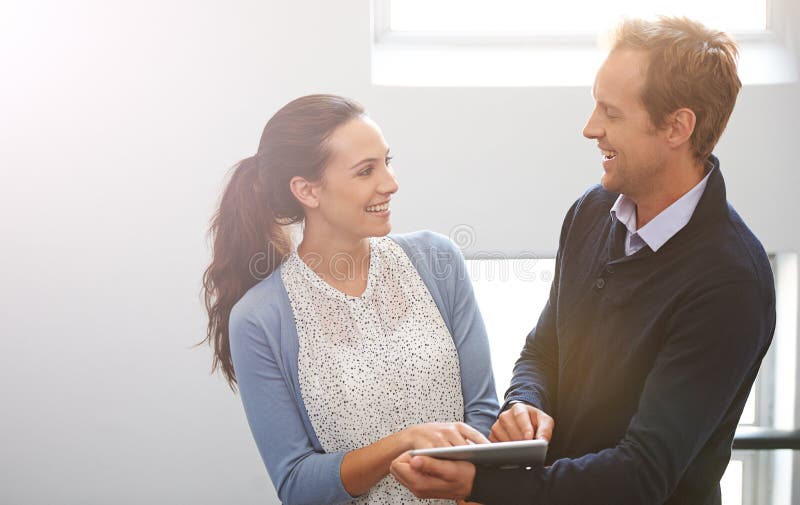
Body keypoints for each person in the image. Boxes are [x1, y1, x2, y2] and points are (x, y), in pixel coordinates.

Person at [391, 16, 776, 505]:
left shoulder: (732, 282)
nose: (590, 127)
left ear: (678, 126)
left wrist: (482, 484)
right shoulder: (591, 212)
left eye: (611, 113)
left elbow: (641, 476)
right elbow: (544, 348)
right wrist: (525, 402)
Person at [201, 94, 499, 505]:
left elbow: (482, 410)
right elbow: (296, 484)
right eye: (365, 171)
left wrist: (472, 478)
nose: (390, 183)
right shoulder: (260, 318)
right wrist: (402, 444)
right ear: (307, 190)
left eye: (387, 162)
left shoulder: (437, 260)